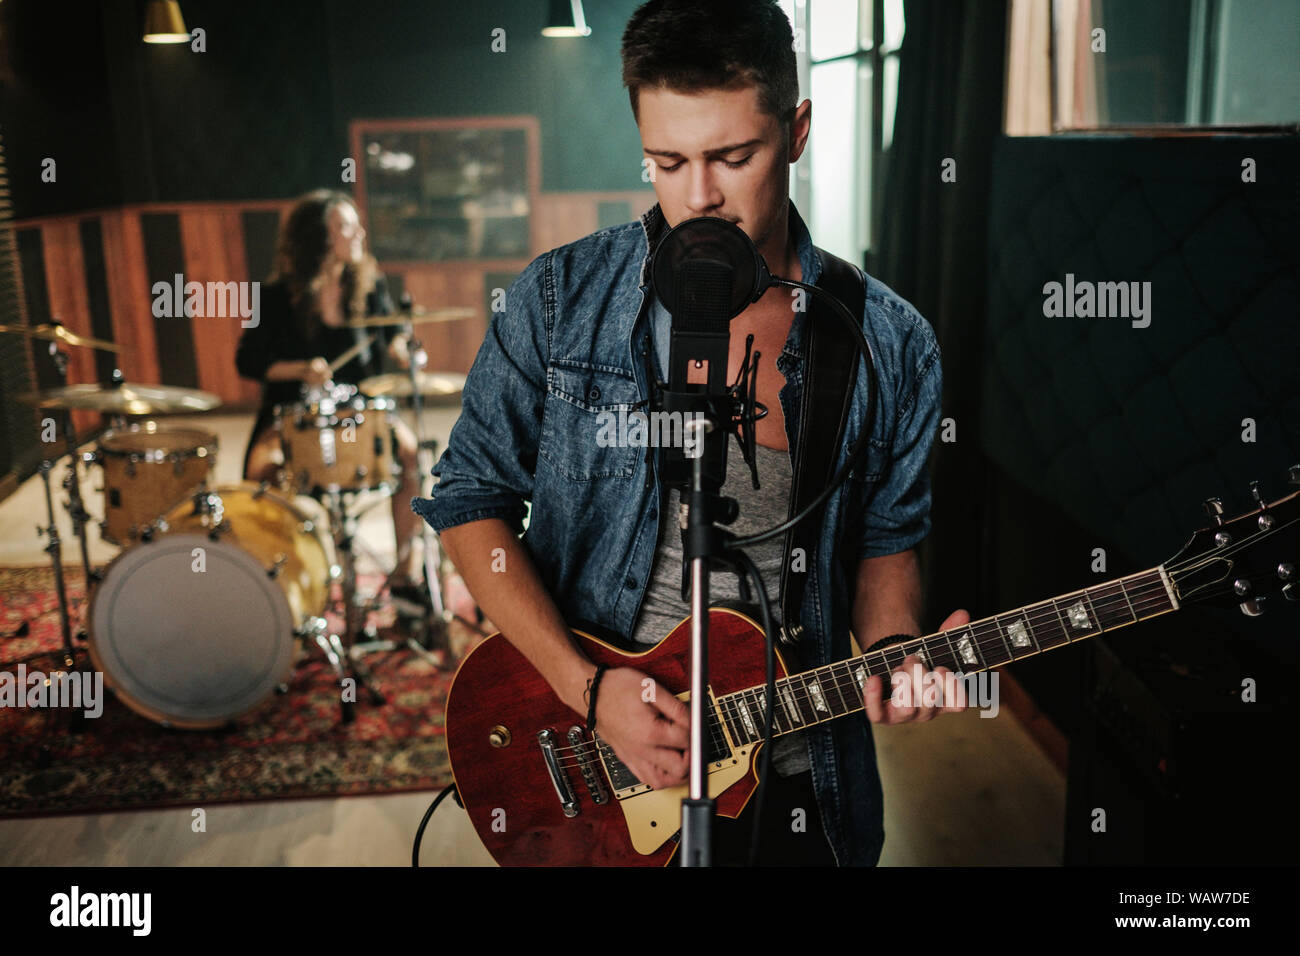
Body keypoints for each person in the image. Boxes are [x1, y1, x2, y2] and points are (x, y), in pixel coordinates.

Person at [414, 0, 971, 866]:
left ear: (797, 130)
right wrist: (588, 689)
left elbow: (887, 543)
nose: (699, 195)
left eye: (733, 157)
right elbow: (469, 502)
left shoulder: (889, 341)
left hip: (798, 771)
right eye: (667, 162)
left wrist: (900, 655)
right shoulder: (560, 300)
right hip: (591, 752)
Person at [236, 189, 424, 595]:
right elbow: (247, 361)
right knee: (260, 474)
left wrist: (405, 350)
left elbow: (392, 336)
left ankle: (406, 575)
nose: (359, 232)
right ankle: (284, 586)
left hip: (359, 410)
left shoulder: (370, 286)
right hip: (293, 413)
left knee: (411, 456)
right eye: (345, 225)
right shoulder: (273, 296)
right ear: (317, 237)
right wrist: (300, 370)